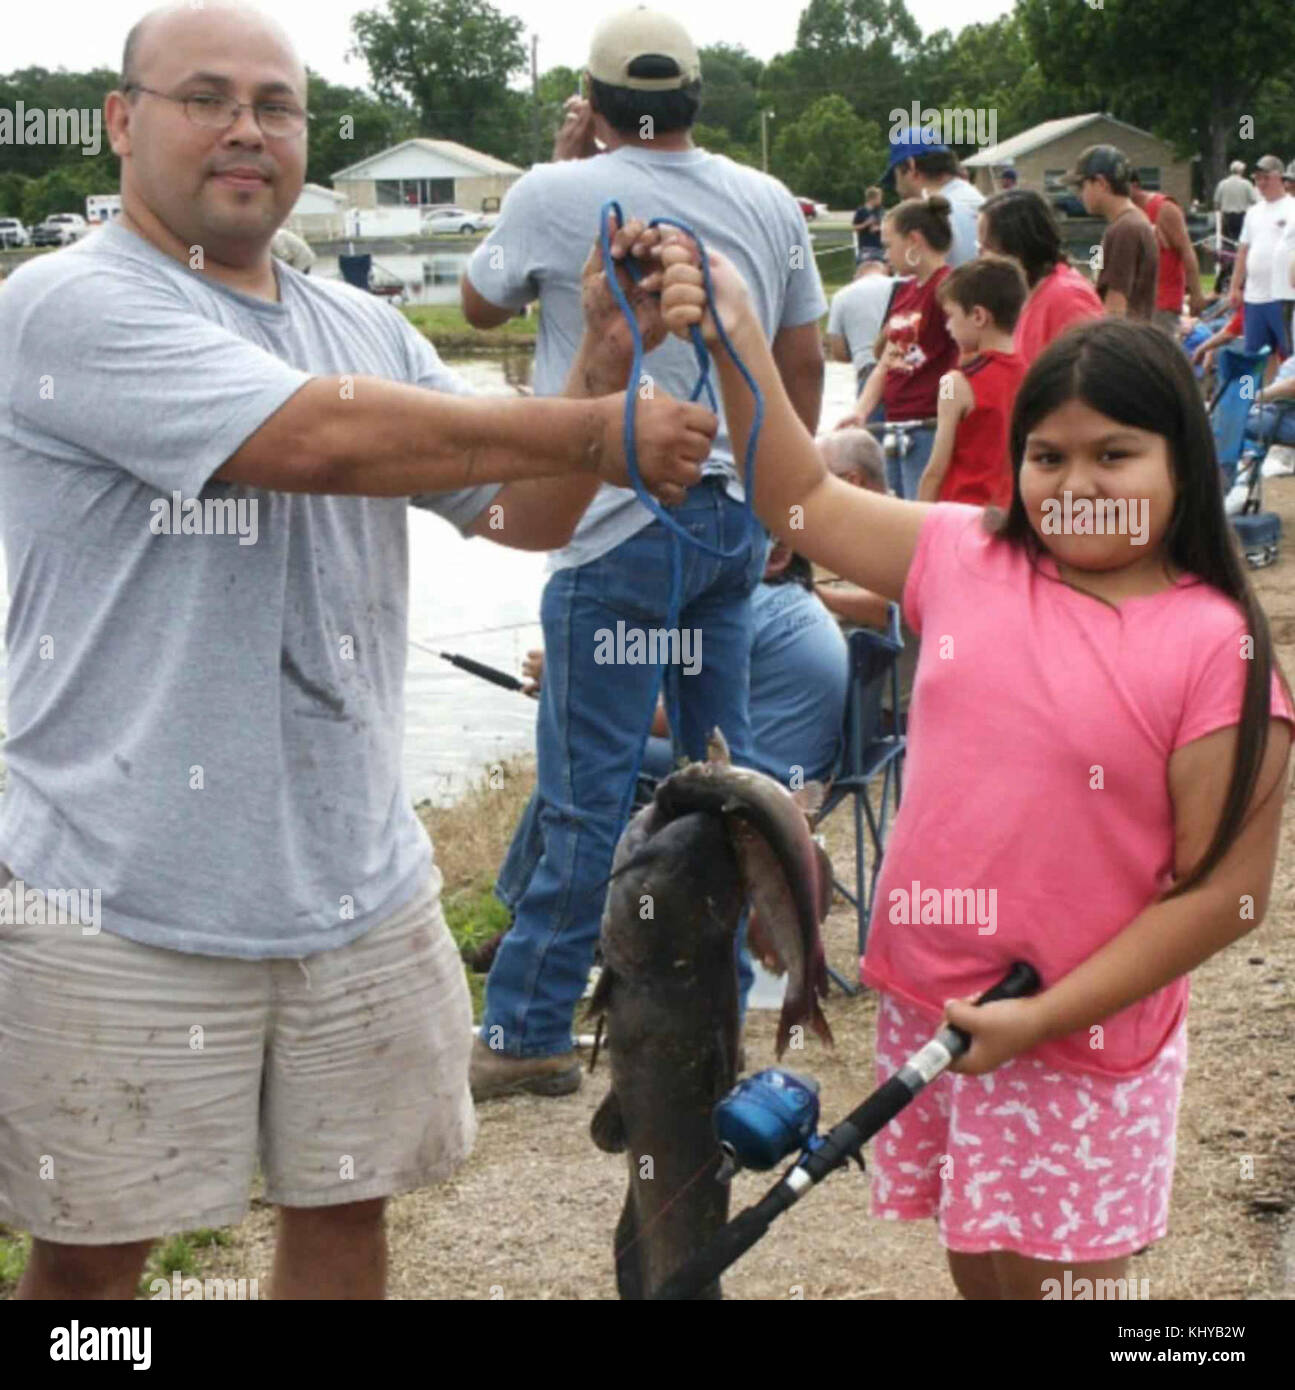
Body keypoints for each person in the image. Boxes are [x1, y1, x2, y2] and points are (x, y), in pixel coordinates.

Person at [0, 1, 711, 1301]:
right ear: (119, 122)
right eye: (204, 97)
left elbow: (521, 512)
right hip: (117, 893)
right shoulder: (62, 309)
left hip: (355, 884)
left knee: (344, 1218)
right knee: (93, 1260)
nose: (244, 129)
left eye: (275, 105)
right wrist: (602, 424)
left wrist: (596, 364)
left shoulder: (362, 328)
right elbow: (315, 441)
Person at [658, 240, 1293, 1301]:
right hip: (936, 1009)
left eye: (1113, 454)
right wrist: (730, 328)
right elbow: (799, 500)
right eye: (1046, 457)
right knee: (979, 1259)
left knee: (1066, 1283)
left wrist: (1045, 1016)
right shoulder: (962, 553)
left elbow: (1225, 895)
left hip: (1078, 1034)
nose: (1074, 484)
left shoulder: (1211, 644)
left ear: (1179, 459)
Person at [460, 5, 827, 1100]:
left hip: (615, 524)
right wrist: (777, 507)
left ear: (596, 102)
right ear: (696, 102)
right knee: (724, 773)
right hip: (728, 522)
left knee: (589, 783)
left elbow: (479, 308)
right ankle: (704, 1003)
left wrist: (563, 165)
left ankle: (526, 1025)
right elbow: (799, 365)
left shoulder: (551, 192)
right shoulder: (763, 201)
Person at [841, 196, 958, 500]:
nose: (885, 253)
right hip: (895, 423)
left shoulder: (948, 288)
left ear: (914, 241)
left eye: (889, 243)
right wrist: (861, 411)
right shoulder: (905, 290)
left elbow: (965, 358)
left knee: (920, 518)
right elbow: (886, 362)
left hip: (928, 425)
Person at [919, 255, 1028, 507]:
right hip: (1012, 513)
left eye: (950, 315)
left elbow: (936, 469)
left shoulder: (953, 384)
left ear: (978, 316)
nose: (947, 326)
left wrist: (920, 524)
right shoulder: (1034, 375)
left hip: (963, 514)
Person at [977, 189, 1102, 365]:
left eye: (988, 247)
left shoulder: (1067, 298)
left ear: (1016, 246)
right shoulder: (1026, 292)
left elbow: (1089, 374)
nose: (980, 256)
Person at [1064, 144, 1158, 321]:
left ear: (1101, 183)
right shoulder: (1134, 221)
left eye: (1081, 186)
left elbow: (1115, 306)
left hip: (1122, 342)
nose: (1079, 195)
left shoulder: (1124, 229)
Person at [1229, 154, 1295, 364]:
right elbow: (1243, 251)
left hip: (1283, 297)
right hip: (1254, 297)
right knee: (1254, 357)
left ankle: (1282, 397)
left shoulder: (1292, 207)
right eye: (1258, 178)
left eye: (1266, 177)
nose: (1262, 183)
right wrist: (1234, 286)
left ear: (1280, 178)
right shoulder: (1253, 212)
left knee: (1288, 356)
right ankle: (1253, 396)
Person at [882, 134, 983, 268]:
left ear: (911, 167)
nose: (897, 188)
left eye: (896, 178)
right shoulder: (982, 203)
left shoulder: (929, 217)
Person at [1128, 169, 1206, 333]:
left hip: (1163, 302)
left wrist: (1196, 293)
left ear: (1134, 185)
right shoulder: (1123, 213)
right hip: (1135, 301)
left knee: (1159, 353)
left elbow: (1186, 250)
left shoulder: (1164, 208)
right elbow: (1098, 247)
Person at [826, 251, 896, 394]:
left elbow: (839, 353)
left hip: (868, 374)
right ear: (886, 268)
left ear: (856, 273)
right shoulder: (904, 286)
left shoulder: (841, 296)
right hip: (906, 372)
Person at [1214, 158, 1258, 248]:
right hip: (1241, 216)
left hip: (1226, 216)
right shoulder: (1246, 184)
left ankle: (1227, 259)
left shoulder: (1222, 184)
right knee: (1241, 241)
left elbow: (1216, 203)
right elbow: (1254, 201)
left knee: (1227, 242)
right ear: (1241, 171)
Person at [852, 186, 884, 259]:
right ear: (872, 199)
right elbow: (854, 227)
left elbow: (885, 225)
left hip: (880, 248)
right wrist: (866, 224)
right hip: (865, 248)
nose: (881, 200)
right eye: (879, 198)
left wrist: (878, 228)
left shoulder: (880, 210)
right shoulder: (861, 211)